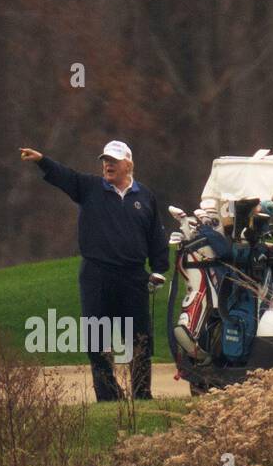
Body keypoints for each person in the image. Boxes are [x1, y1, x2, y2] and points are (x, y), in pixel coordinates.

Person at [19, 140, 168, 401]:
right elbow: (64, 176)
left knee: (139, 340)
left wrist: (158, 269)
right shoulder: (89, 188)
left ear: (128, 164)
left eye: (113, 160)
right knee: (97, 339)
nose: (108, 165)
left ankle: (142, 394)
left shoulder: (144, 197)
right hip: (96, 275)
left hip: (133, 276)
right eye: (105, 160)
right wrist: (42, 160)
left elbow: (155, 236)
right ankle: (108, 395)